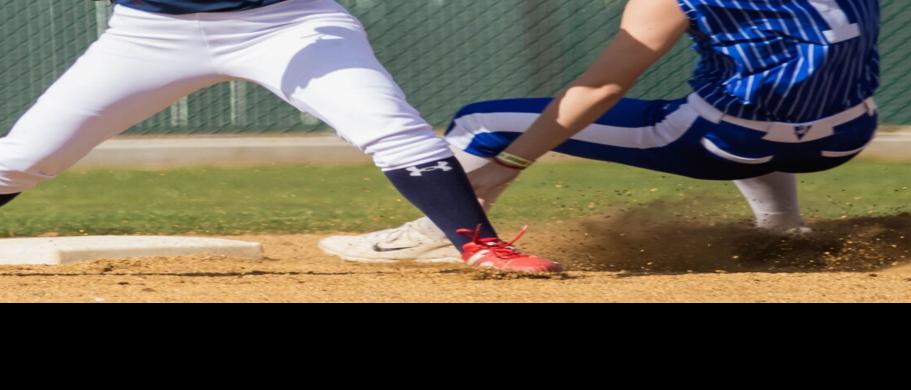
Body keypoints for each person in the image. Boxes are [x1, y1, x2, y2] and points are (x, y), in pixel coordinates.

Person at [0, 0, 560, 281]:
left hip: (290, 19)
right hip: (149, 31)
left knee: (385, 124)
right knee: (30, 152)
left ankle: (476, 244)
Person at [322, 0, 881, 265]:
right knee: (766, 96)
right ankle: (781, 228)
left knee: (480, 121)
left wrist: (509, 165)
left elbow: (603, 87)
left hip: (723, 142)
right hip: (848, 135)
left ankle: (441, 230)